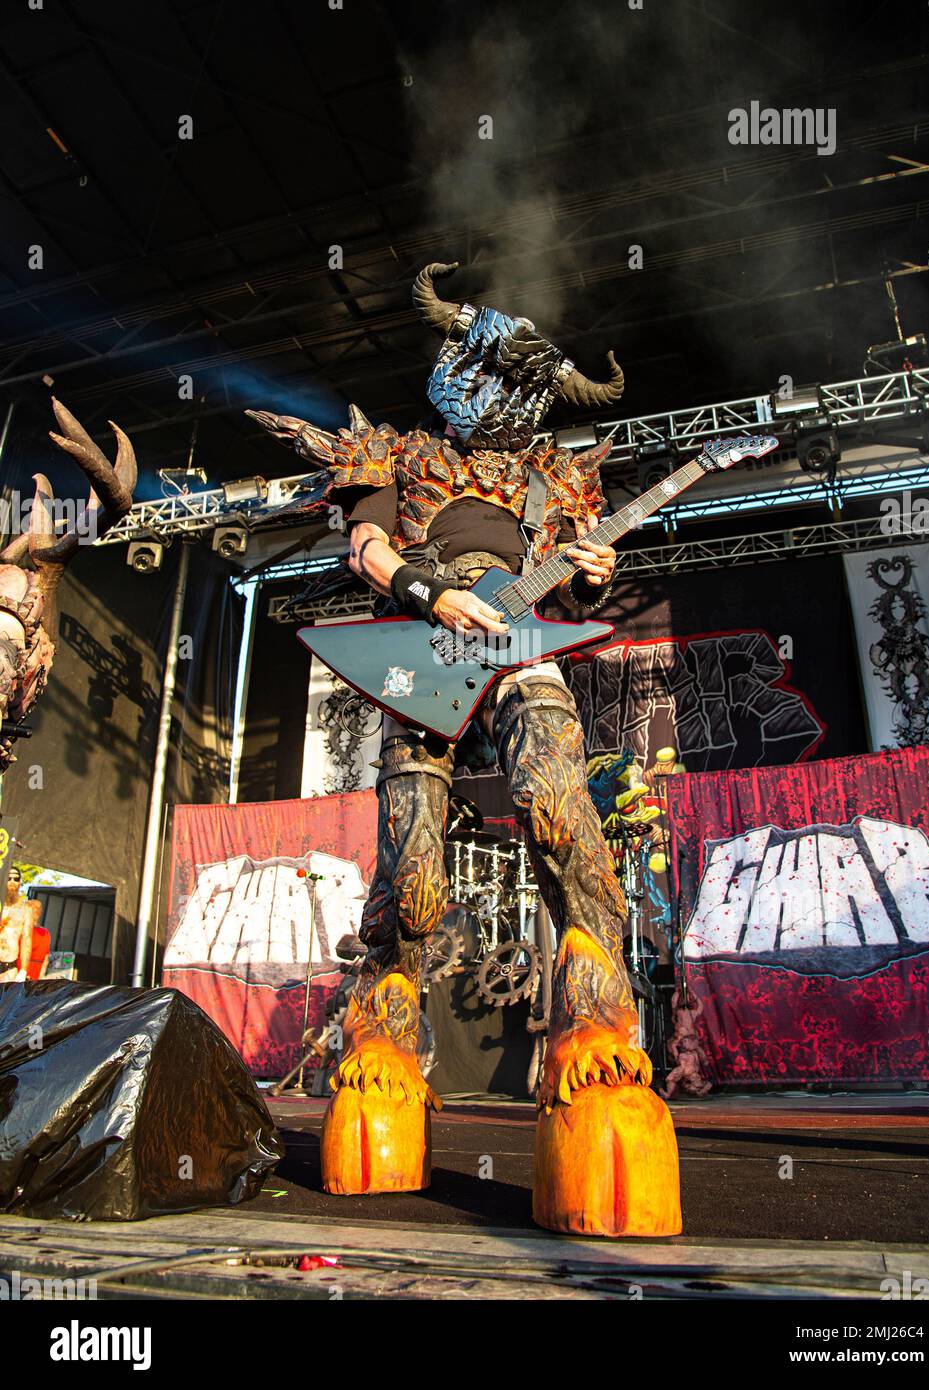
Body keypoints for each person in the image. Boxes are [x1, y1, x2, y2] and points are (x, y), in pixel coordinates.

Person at [249, 263, 681, 1236]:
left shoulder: (551, 483)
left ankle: (593, 1038)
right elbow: (361, 547)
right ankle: (385, 1047)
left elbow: (573, 591)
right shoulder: (396, 456)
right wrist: (422, 588)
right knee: (410, 862)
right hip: (419, 653)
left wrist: (590, 567)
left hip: (520, 643)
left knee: (558, 806)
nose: (504, 399)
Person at [0, 866, 41, 983]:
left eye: (16, 879)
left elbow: (26, 939)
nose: (12, 881)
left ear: (20, 882)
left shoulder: (25, 909)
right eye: (9, 878)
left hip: (9, 966)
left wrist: (23, 970)